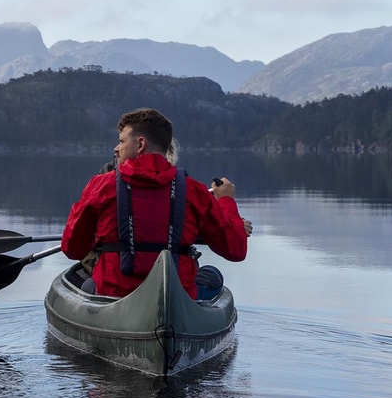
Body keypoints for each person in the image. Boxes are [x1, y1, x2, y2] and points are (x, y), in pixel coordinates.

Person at [61, 107, 250, 299]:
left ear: (140, 144)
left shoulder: (101, 185)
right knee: (213, 276)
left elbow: (72, 248)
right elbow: (236, 249)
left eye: (121, 141)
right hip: (176, 297)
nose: (116, 148)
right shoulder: (195, 191)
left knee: (81, 281)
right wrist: (226, 200)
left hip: (115, 295)